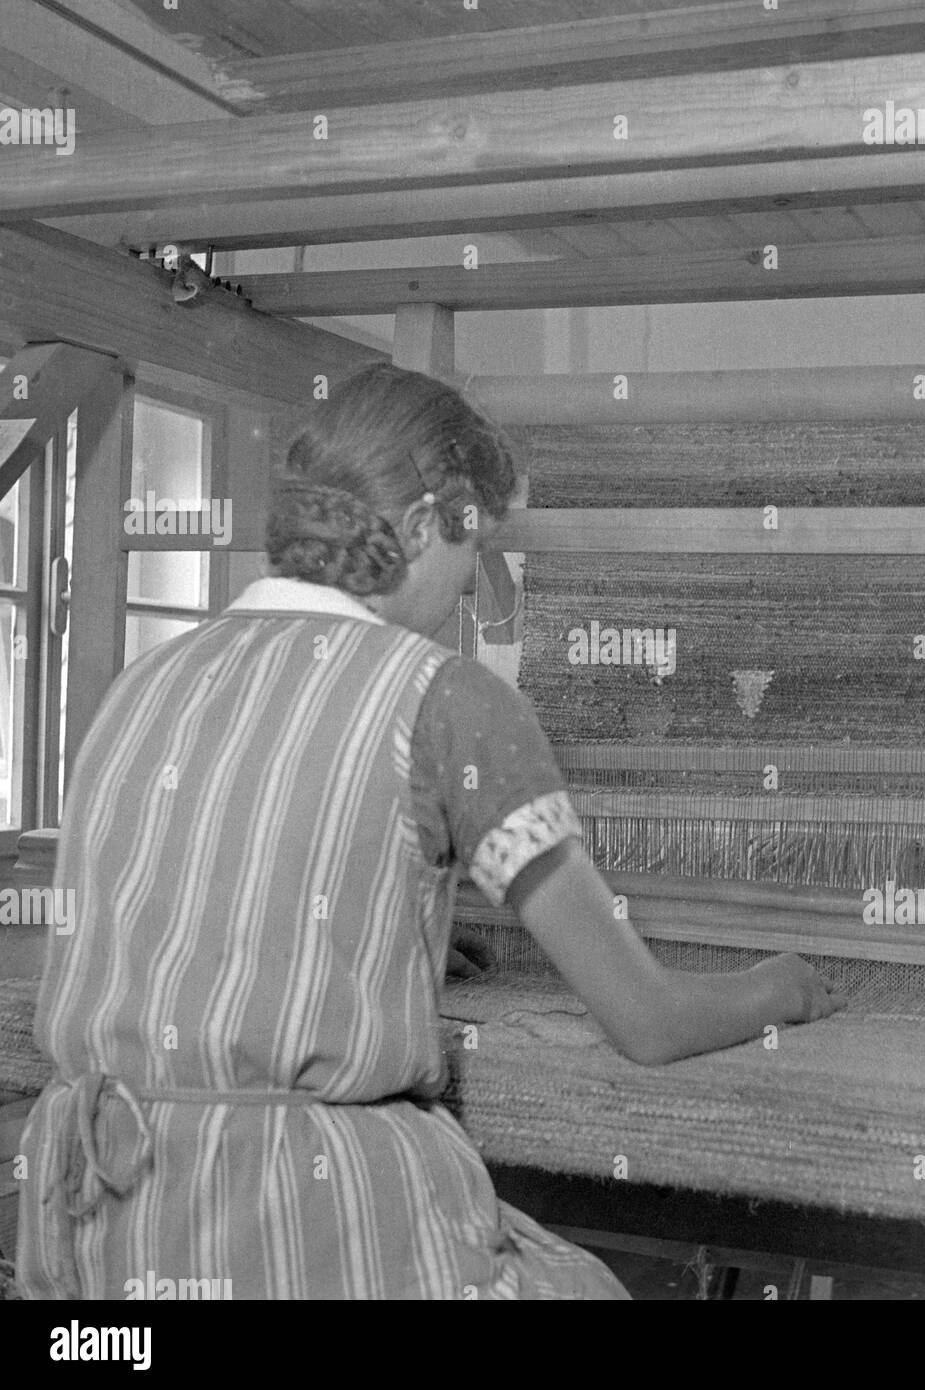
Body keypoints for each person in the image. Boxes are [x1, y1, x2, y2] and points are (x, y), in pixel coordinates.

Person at [17, 364, 841, 1301]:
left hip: (94, 1226)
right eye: (473, 543)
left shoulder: (142, 683)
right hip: (299, 1224)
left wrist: (373, 929)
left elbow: (203, 874)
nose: (470, 586)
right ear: (417, 527)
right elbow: (647, 1023)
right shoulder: (446, 699)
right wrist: (779, 986)